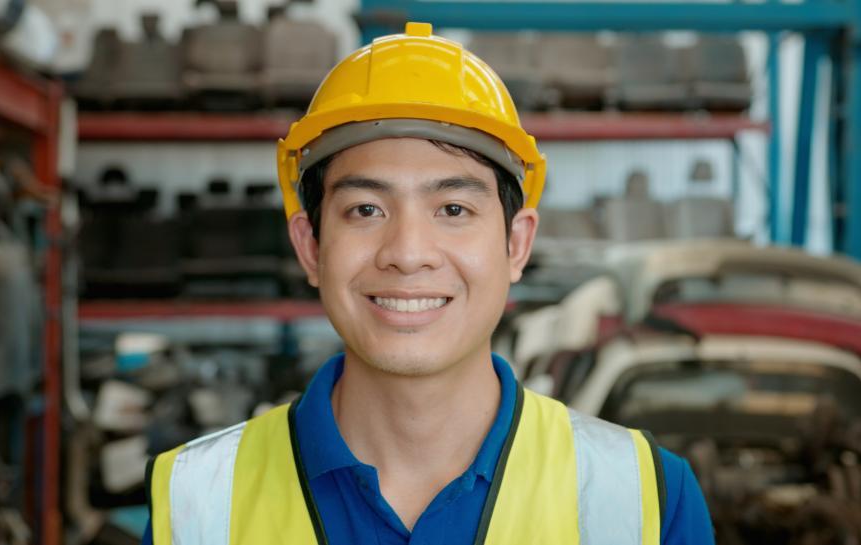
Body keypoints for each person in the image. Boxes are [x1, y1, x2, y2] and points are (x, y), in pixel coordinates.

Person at [142, 22, 713, 544]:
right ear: (310, 246)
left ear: (516, 244)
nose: (408, 254)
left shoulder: (645, 501)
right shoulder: (197, 501)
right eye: (366, 209)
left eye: (454, 209)